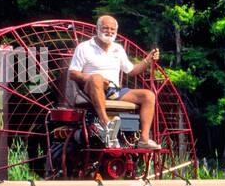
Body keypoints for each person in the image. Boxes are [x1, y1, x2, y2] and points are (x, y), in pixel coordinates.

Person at [66, 14, 161, 149]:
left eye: (112, 30)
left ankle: (144, 139)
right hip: (90, 90)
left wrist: (148, 60)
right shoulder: (84, 47)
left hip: (113, 90)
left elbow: (132, 71)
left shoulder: (118, 49)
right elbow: (73, 73)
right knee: (96, 78)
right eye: (105, 28)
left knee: (148, 96)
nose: (109, 32)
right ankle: (106, 124)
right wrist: (93, 78)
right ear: (97, 29)